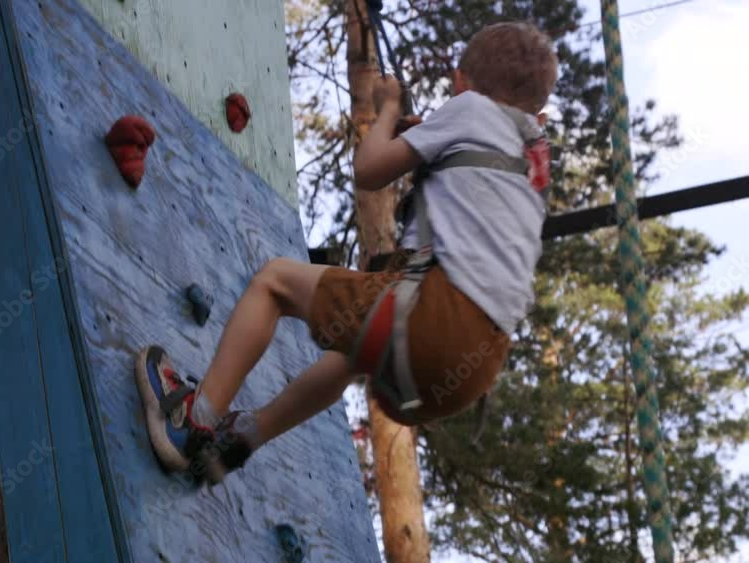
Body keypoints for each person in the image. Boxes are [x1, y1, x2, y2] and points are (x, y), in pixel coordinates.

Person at [135, 21, 559, 484]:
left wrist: (387, 109)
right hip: (473, 368)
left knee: (274, 282)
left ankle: (192, 421)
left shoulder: (472, 109)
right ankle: (237, 441)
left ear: (461, 82)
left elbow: (370, 170)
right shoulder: (531, 159)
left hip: (432, 321)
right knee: (351, 354)